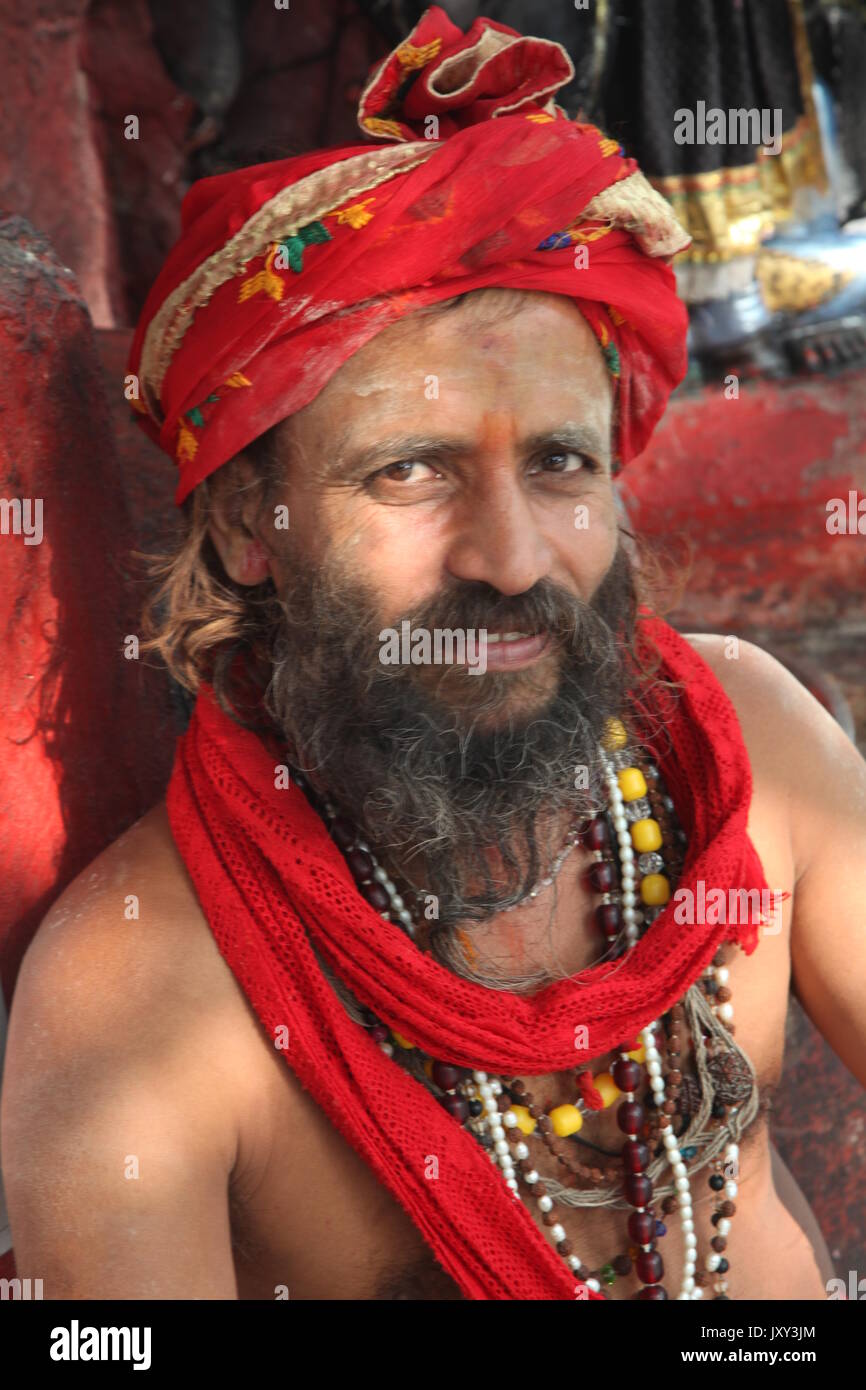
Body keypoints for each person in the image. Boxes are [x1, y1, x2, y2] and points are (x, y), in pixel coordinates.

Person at [2, 5, 863, 1302]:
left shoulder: (742, 738)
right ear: (251, 527)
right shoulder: (137, 999)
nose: (510, 562)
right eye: (413, 469)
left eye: (561, 464)